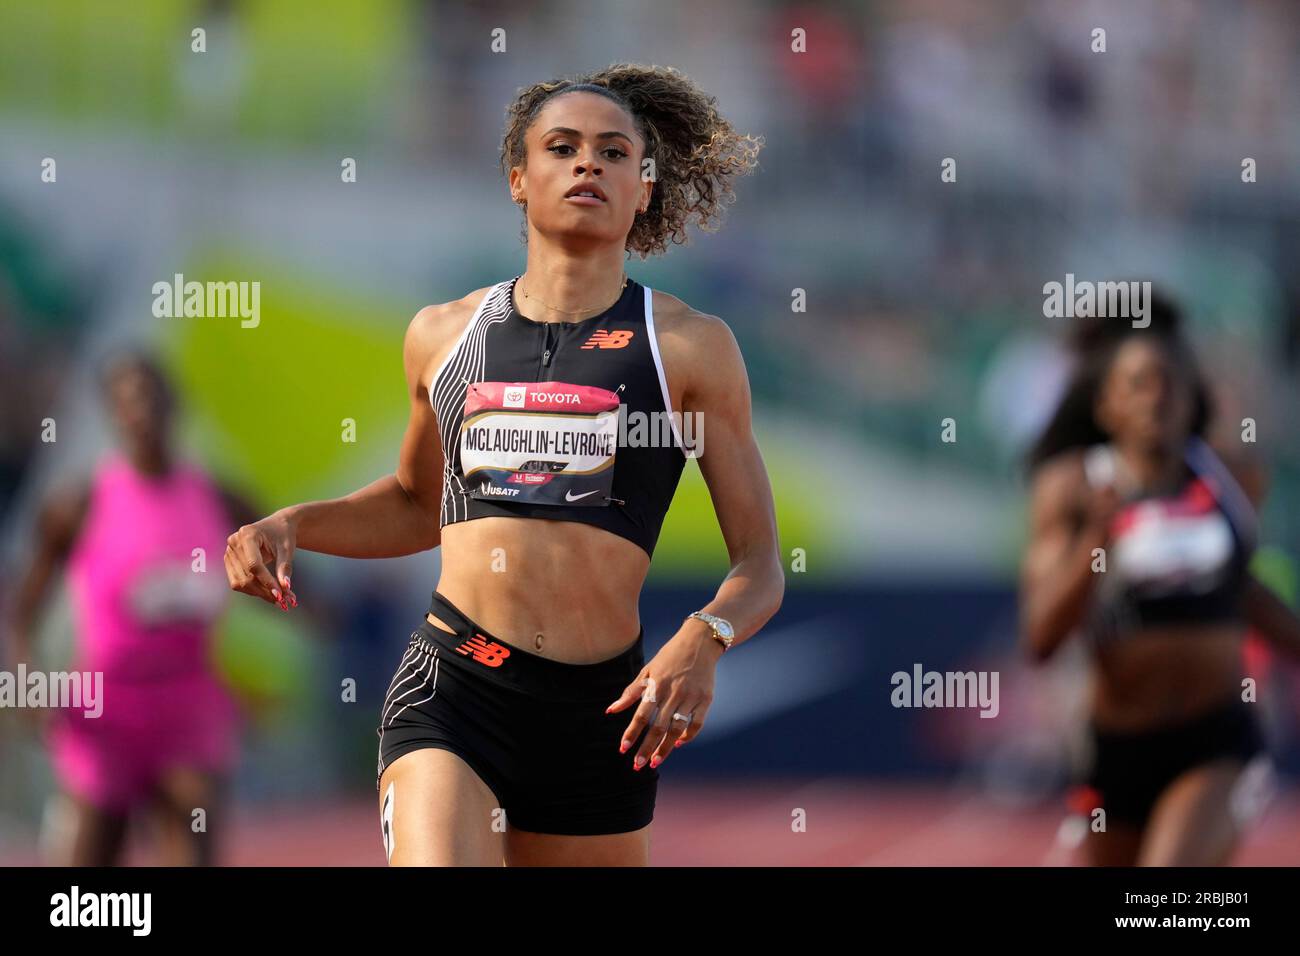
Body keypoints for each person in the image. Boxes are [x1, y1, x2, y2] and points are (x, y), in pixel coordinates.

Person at [223, 63, 784, 866]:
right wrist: (292, 524)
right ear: (519, 179)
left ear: (645, 189)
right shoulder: (442, 335)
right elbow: (420, 505)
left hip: (603, 712)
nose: (588, 164)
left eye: (614, 153)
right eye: (563, 147)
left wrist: (705, 636)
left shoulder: (691, 347)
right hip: (458, 685)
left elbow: (759, 565)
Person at [1019, 294, 1300, 865]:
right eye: (1139, 383)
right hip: (1115, 750)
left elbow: (1245, 592)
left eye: (1172, 382)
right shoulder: (1072, 488)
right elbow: (1042, 637)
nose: (1158, 398)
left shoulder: (1231, 476)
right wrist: (1096, 540)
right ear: (1105, 404)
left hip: (1214, 742)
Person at [5, 351, 257, 865]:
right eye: (127, 401)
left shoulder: (217, 499)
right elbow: (22, 608)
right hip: (106, 711)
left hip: (187, 704)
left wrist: (317, 609)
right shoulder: (79, 505)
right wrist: (28, 680)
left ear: (174, 405)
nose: (141, 411)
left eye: (151, 396)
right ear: (113, 415)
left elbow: (281, 575)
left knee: (193, 839)